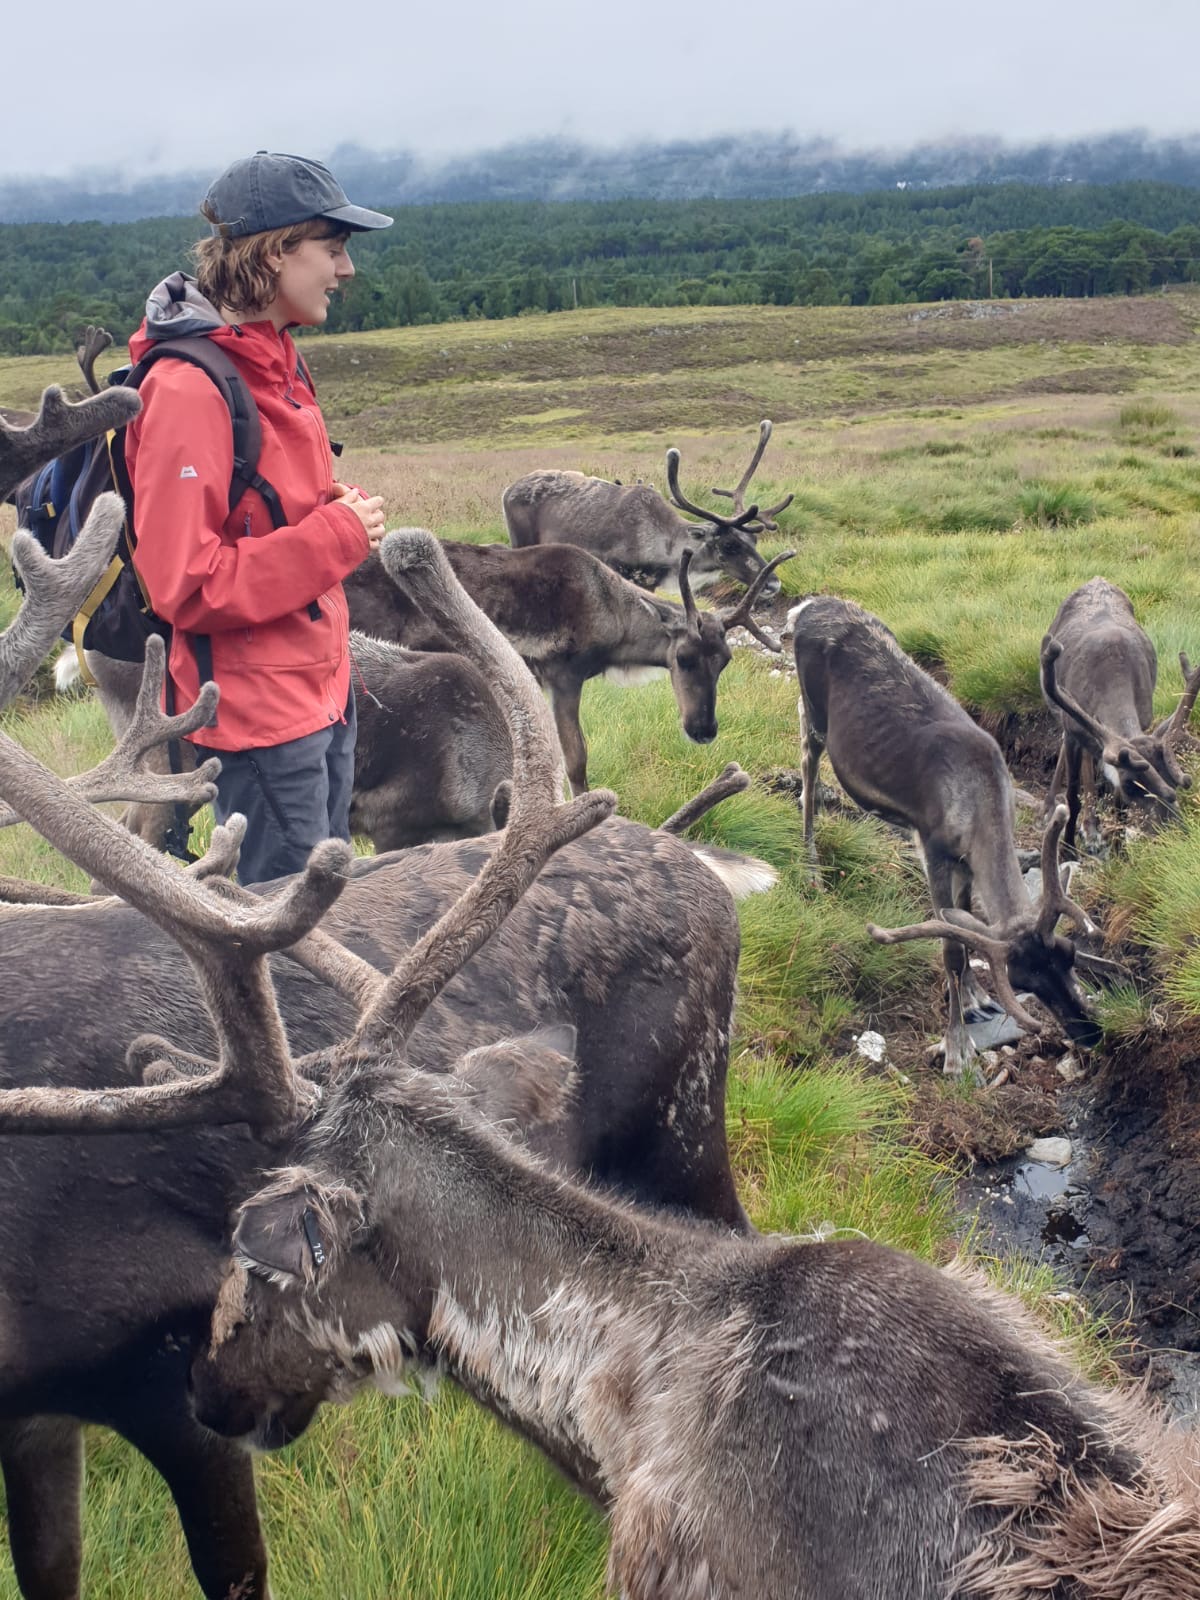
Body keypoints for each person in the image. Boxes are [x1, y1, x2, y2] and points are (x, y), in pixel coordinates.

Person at [123, 151, 392, 884]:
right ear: (277, 252)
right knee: (287, 934)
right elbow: (185, 583)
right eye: (331, 250)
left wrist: (330, 510)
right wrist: (337, 535)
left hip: (320, 691)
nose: (346, 271)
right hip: (262, 717)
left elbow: (265, 513)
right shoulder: (189, 391)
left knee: (324, 900)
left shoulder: (276, 360)